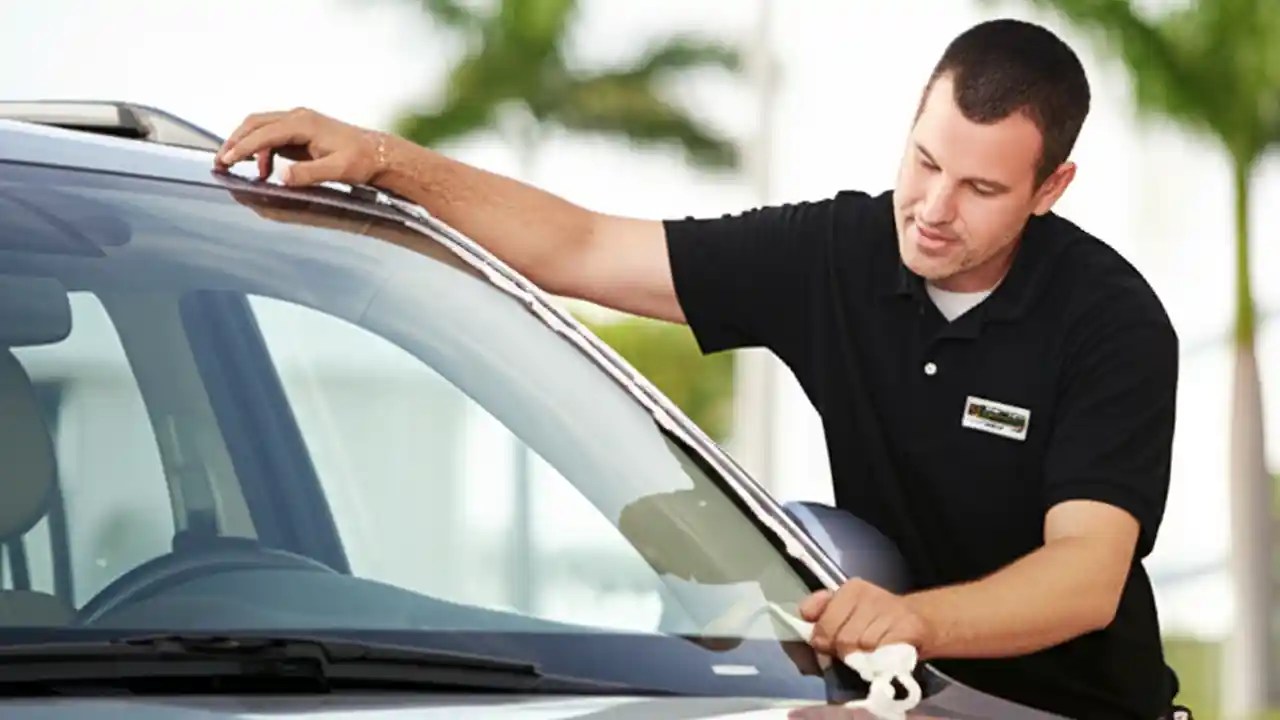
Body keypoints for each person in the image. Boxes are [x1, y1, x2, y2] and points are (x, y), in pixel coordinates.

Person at [214, 17, 1189, 720]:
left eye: (979, 188)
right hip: (893, 697)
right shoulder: (833, 254)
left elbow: (1081, 580)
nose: (932, 206)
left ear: (1049, 189)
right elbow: (584, 247)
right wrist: (381, 160)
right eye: (923, 160)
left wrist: (907, 619)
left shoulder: (1109, 322)